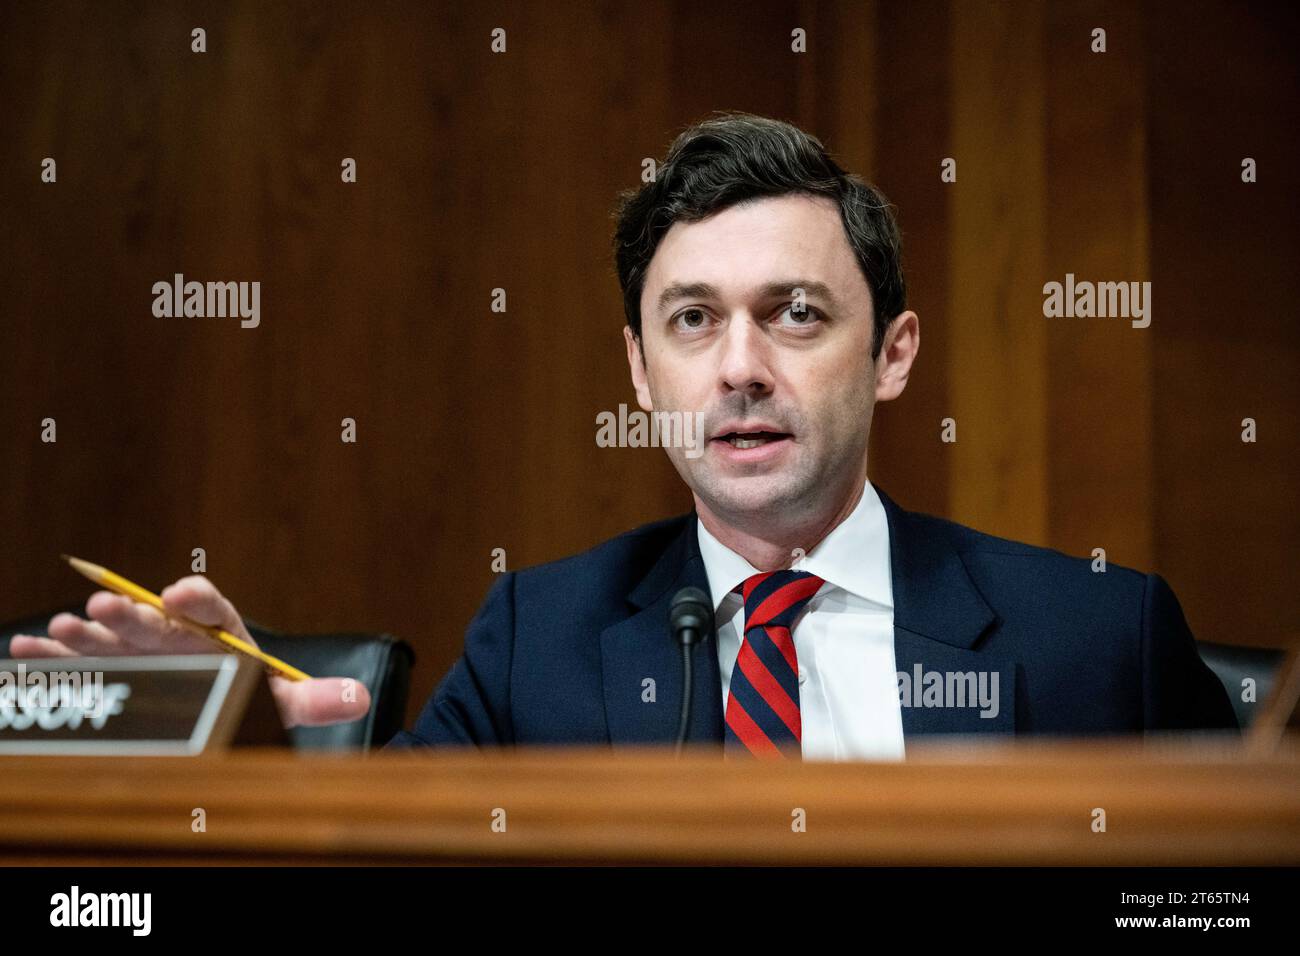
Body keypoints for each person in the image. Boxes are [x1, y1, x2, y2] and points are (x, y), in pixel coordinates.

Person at [9, 113, 1237, 757]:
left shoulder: (1100, 638)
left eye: (796, 314)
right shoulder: (534, 641)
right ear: (641, 372)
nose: (742, 367)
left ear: (894, 353)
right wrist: (252, 730)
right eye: (692, 321)